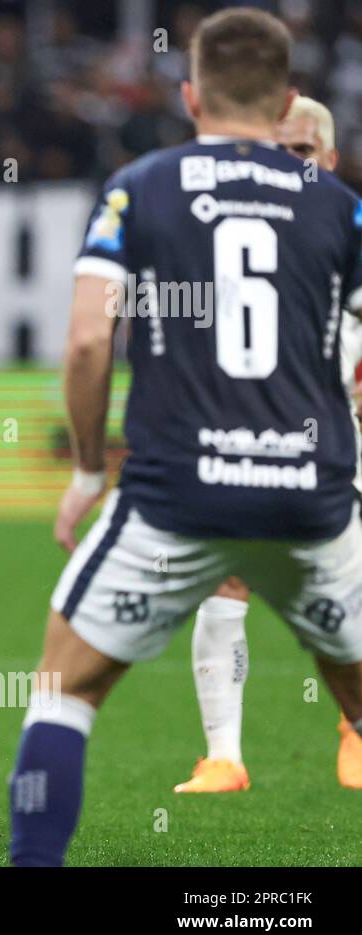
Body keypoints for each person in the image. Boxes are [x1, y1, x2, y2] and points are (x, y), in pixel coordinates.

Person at [9, 8, 362, 866]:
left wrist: (91, 471)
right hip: (312, 494)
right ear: (286, 101)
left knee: (61, 694)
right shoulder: (340, 209)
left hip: (176, 495)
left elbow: (91, 339)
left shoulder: (142, 184)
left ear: (190, 92)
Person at [174, 93, 362, 793]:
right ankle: (224, 757)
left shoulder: (348, 232)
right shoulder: (224, 235)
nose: (288, 165)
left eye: (303, 153)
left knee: (345, 596)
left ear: (331, 160)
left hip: (343, 444)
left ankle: (353, 732)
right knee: (226, 578)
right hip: (245, 438)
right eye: (276, 151)